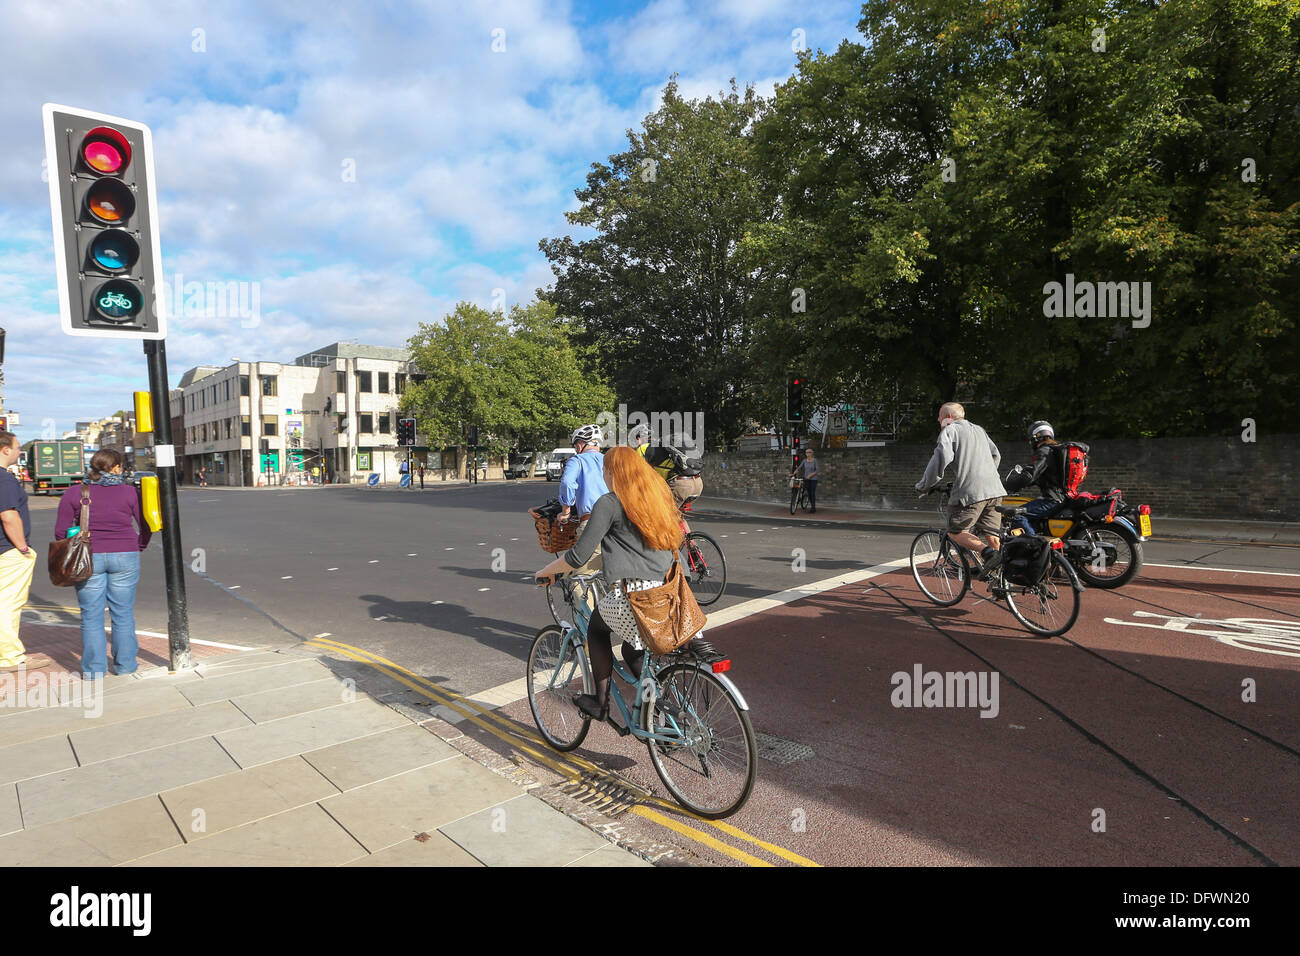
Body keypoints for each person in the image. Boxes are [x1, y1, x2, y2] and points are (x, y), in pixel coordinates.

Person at [534, 446, 682, 719]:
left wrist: (546, 571)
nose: (603, 475)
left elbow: (578, 556)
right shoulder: (656, 499)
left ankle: (600, 703)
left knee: (597, 629)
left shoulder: (609, 503)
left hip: (636, 598)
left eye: (604, 470)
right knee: (632, 649)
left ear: (614, 472)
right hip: (669, 593)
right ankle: (659, 709)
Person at [54, 448, 153, 677]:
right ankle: (126, 666)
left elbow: (61, 531)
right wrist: (140, 544)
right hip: (125, 554)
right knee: (123, 614)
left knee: (91, 616)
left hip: (88, 556)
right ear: (116, 467)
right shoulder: (130, 492)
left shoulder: (74, 492)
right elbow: (146, 524)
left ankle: (94, 671)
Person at [915, 402, 1007, 579]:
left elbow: (940, 459)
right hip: (995, 489)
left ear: (948, 417)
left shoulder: (950, 431)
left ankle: (986, 553)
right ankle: (1000, 580)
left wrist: (924, 486)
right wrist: (986, 474)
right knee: (992, 534)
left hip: (972, 492)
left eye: (940, 416)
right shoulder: (979, 430)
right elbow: (996, 455)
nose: (938, 419)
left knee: (956, 531)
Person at [0, 432, 42, 671]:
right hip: (9, 551)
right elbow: (8, 516)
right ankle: (10, 657)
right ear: (5, 450)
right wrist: (23, 548)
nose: (18, 452)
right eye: (16, 447)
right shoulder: (4, 480)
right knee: (8, 604)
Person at [1003, 421, 1083, 534]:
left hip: (1052, 500)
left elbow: (1029, 475)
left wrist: (1005, 485)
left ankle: (1037, 546)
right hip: (1067, 497)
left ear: (1036, 437)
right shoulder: (1056, 451)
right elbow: (1042, 475)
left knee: (1015, 515)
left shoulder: (1044, 451)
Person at [630, 425, 704, 529]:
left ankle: (664, 544)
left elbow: (638, 477)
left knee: (657, 517)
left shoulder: (642, 449)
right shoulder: (662, 447)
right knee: (677, 517)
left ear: (639, 439)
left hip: (681, 486)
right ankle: (690, 542)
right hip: (697, 483)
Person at [789, 448, 819, 513]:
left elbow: (817, 470)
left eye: (809, 452)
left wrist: (810, 475)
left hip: (813, 479)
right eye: (806, 452)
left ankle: (813, 507)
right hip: (806, 479)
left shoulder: (815, 460)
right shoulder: (804, 461)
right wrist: (793, 473)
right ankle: (804, 497)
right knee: (808, 492)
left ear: (812, 453)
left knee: (812, 493)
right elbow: (799, 468)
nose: (807, 454)